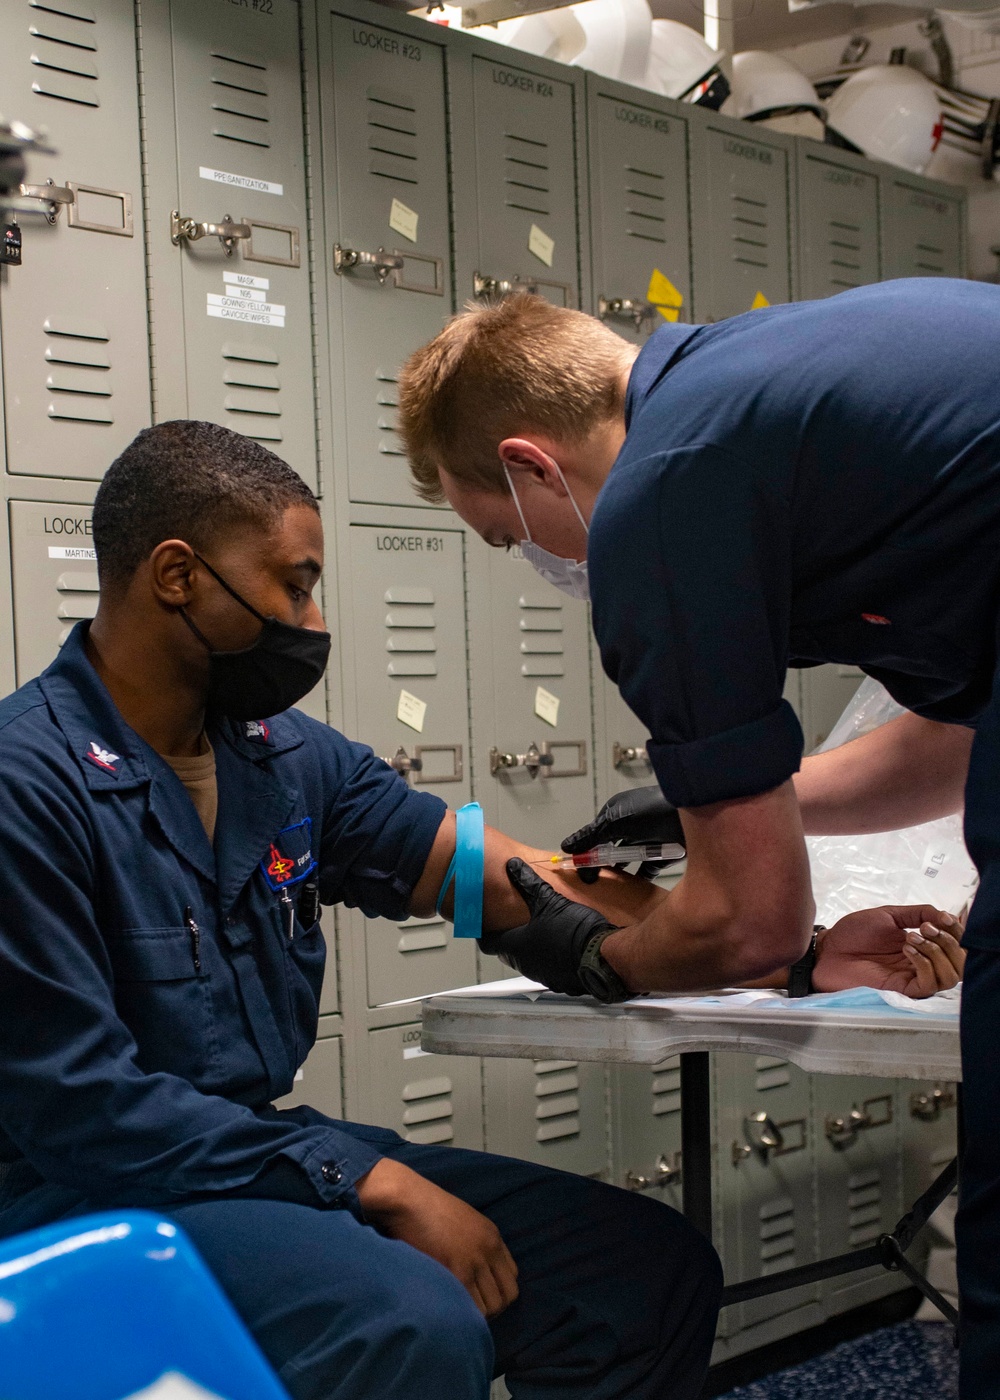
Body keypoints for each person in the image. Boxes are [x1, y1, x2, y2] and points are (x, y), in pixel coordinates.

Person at [0, 422, 958, 1400]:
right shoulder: (24, 785)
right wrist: (370, 1179)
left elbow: (509, 886)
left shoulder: (286, 758)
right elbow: (86, 1109)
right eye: (292, 584)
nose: (313, 620)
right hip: (81, 1185)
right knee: (410, 1320)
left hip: (252, 1156)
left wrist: (784, 955)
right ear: (175, 575)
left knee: (637, 1272)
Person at [397, 281, 988, 1389]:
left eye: (500, 533)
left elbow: (750, 925)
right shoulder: (757, 388)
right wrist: (741, 795)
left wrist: (596, 953)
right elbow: (958, 734)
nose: (533, 560)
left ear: (530, 466)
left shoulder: (659, 498)